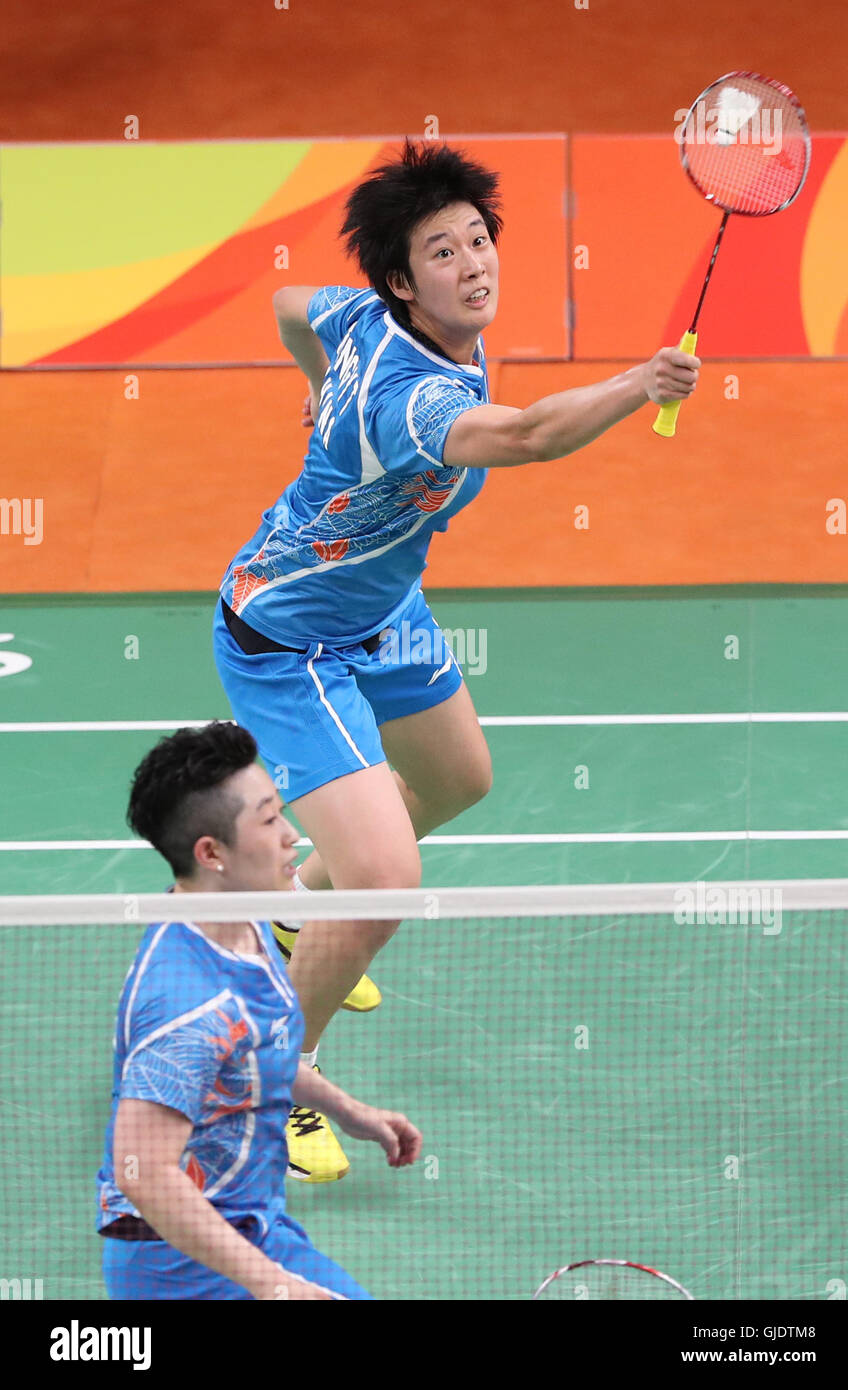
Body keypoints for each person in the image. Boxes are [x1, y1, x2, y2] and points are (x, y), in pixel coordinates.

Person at [212, 138, 700, 1181]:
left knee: (456, 777)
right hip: (289, 636)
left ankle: (303, 905)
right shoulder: (411, 400)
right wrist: (636, 381)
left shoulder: (358, 315)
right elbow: (522, 439)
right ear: (401, 278)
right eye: (442, 251)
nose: (473, 263)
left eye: (478, 238)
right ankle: (266, 1083)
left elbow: (292, 305)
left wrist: (312, 390)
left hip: (383, 607)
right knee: (385, 879)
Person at [95, 722, 421, 1300]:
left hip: (254, 1221)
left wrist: (348, 1111)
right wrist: (275, 1287)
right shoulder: (183, 1006)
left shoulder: (243, 921)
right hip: (176, 1265)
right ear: (211, 853)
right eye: (269, 820)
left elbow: (250, 1048)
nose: (292, 835)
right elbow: (142, 1176)